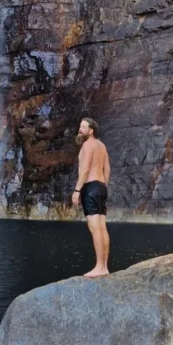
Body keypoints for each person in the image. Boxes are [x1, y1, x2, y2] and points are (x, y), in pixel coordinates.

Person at [71, 117, 110, 277]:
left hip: (90, 187)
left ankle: (99, 267)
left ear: (91, 130)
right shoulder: (102, 146)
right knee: (102, 227)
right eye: (80, 126)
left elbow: (85, 168)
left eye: (83, 127)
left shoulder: (88, 145)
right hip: (101, 187)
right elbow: (107, 169)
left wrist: (77, 190)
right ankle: (104, 267)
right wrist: (102, 187)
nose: (80, 129)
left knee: (95, 229)